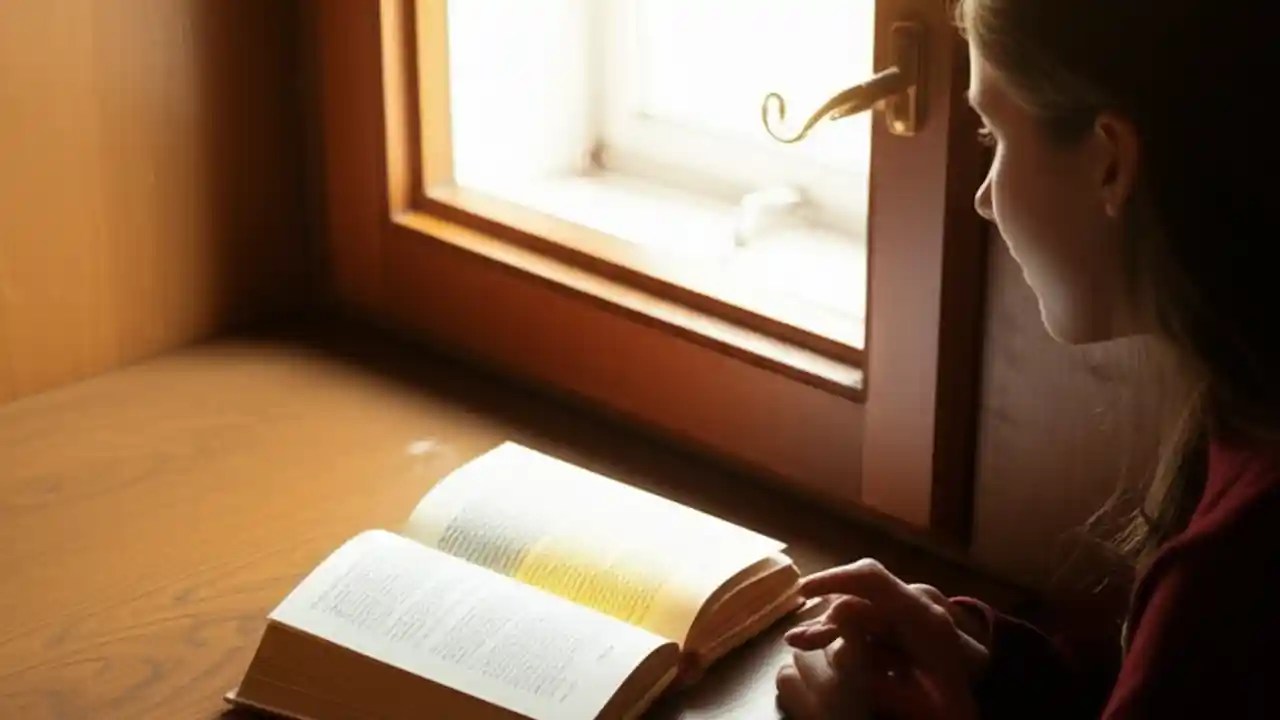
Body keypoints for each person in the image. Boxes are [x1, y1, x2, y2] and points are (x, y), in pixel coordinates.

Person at [774, 0, 1277, 717]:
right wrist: (991, 673)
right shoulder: (1241, 416)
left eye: (992, 134)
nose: (982, 198)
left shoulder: (1235, 574)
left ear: (1109, 162)